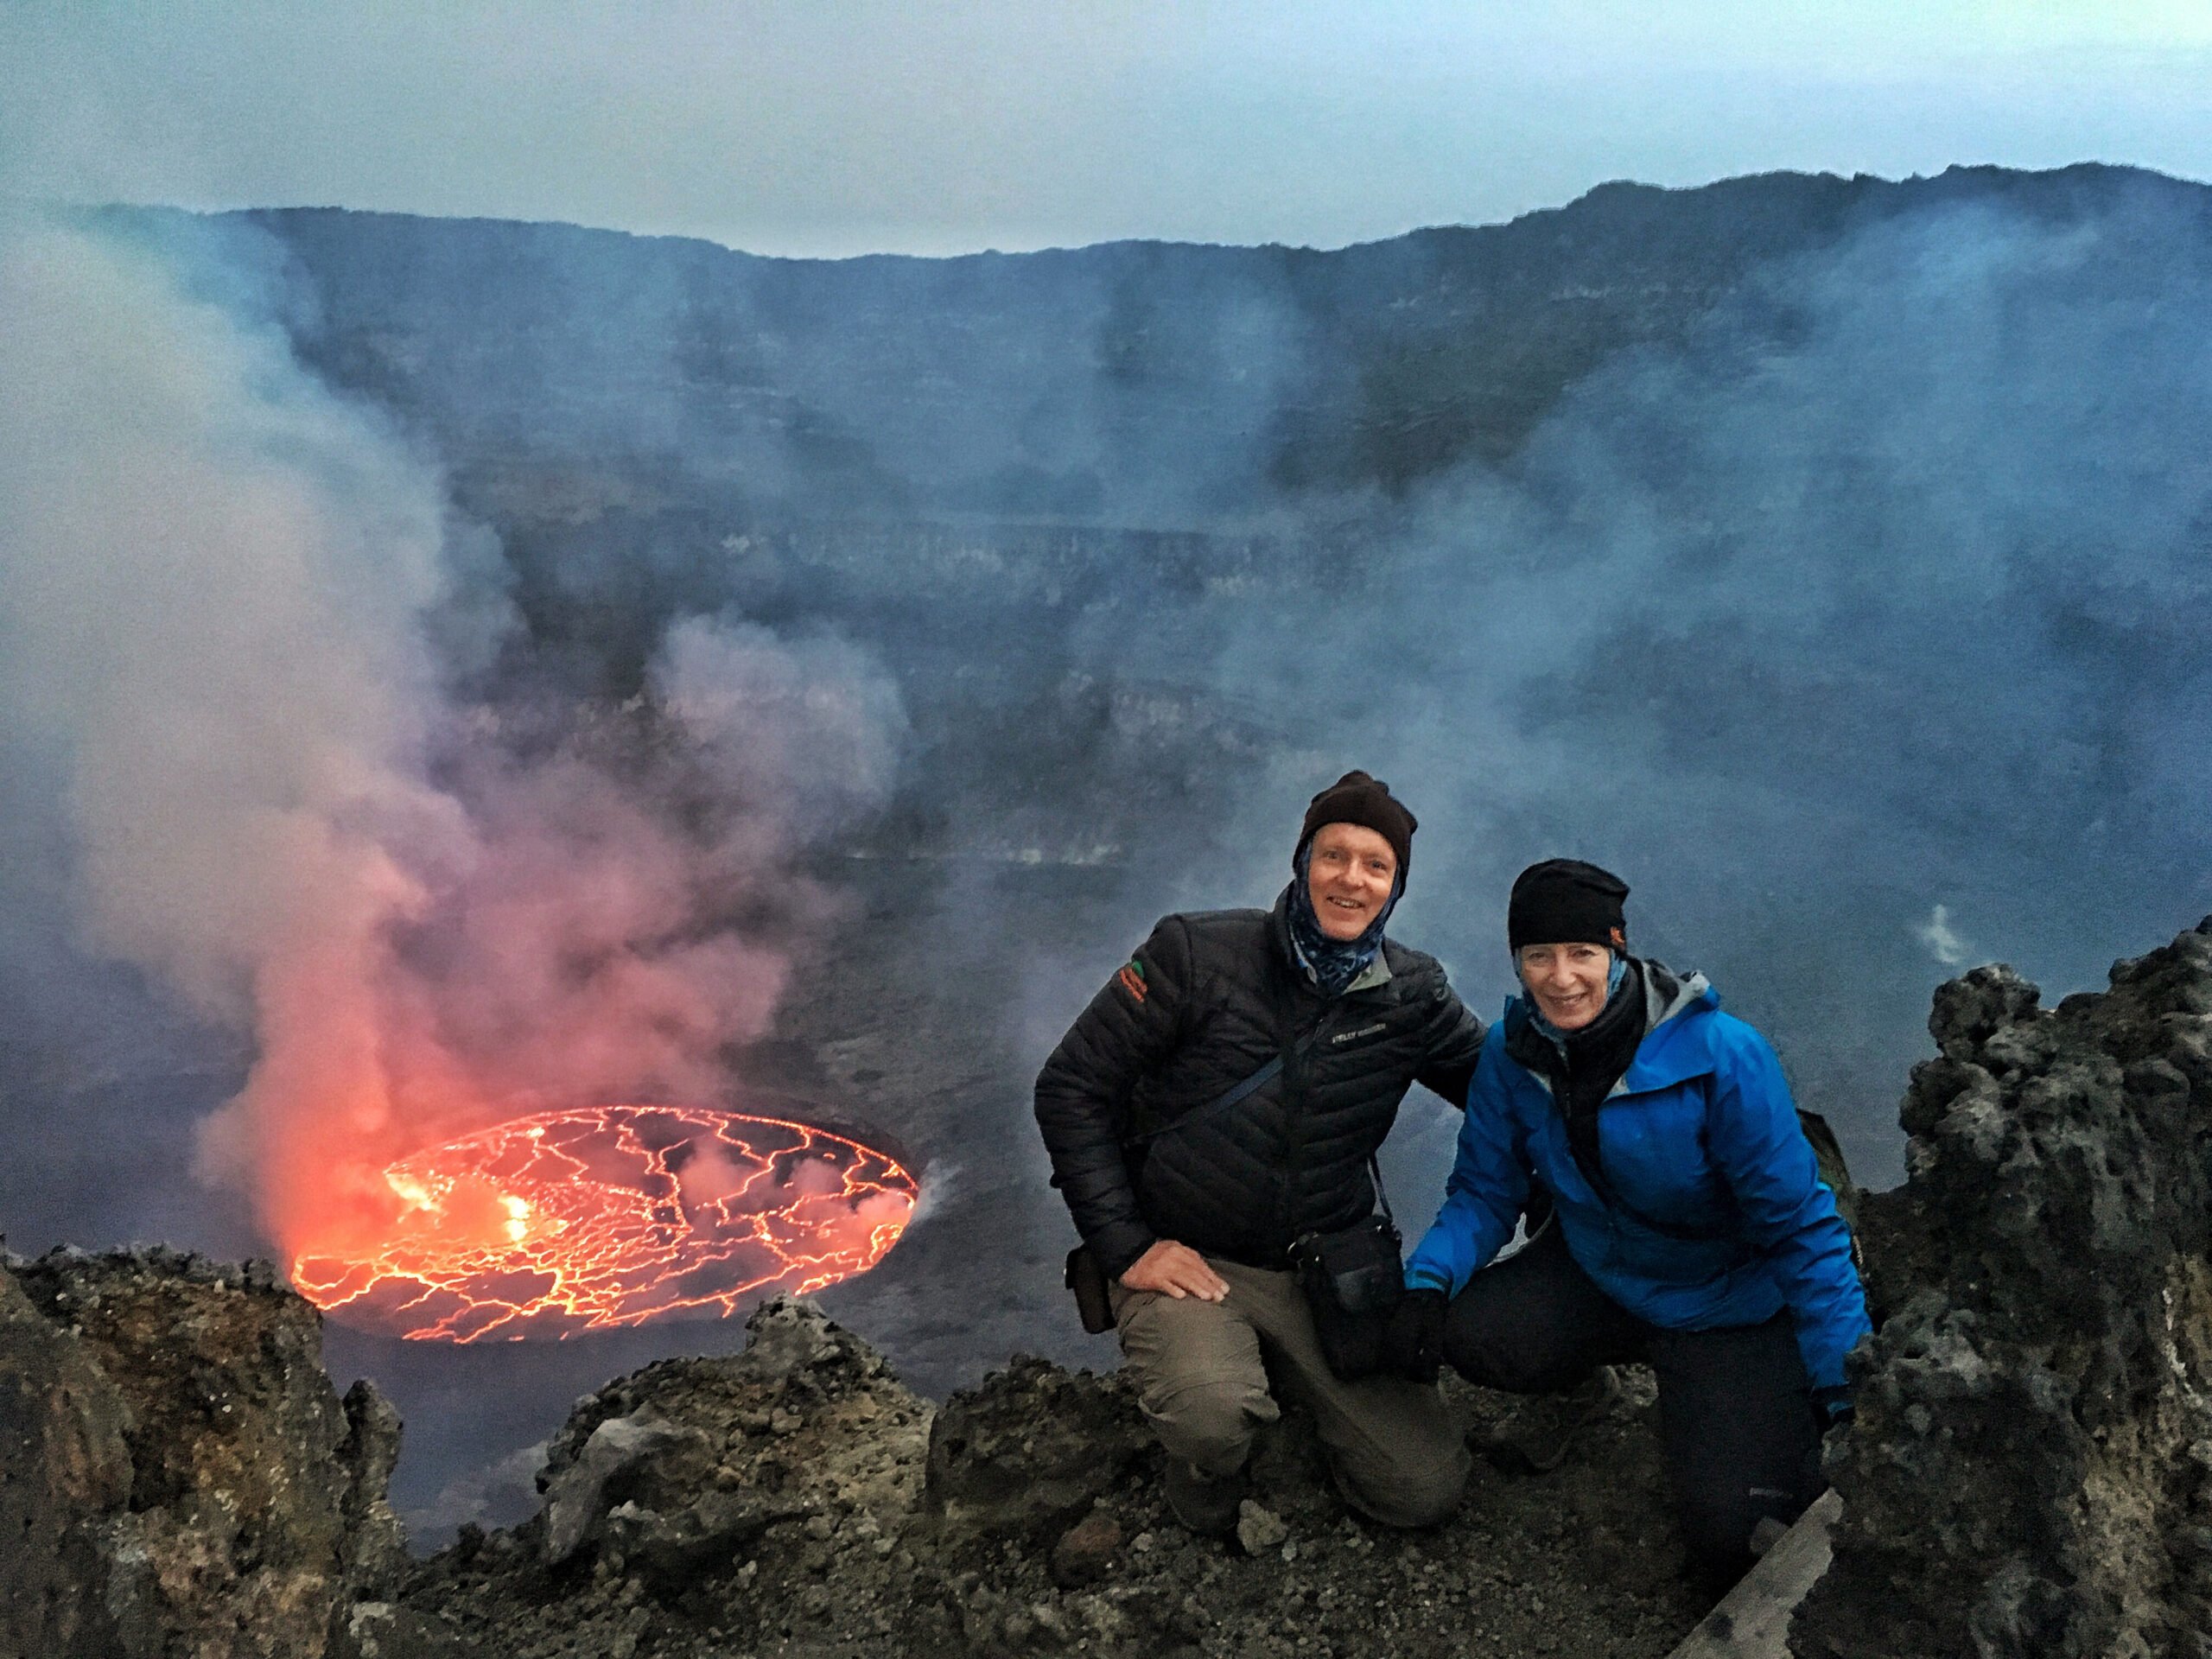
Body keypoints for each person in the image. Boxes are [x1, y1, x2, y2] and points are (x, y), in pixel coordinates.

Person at [1388, 858, 1870, 1592]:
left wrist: (1846, 1388)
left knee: (1735, 1537)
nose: (1561, 978)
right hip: (1606, 1275)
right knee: (1469, 1330)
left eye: (1581, 953)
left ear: (1617, 952)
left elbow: (1803, 1232)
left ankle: (1766, 1403)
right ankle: (1589, 1389)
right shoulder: (1512, 1056)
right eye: (1538, 956)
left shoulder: (1722, 1056)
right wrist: (1427, 1281)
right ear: (1517, 961)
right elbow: (1485, 1190)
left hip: (1728, 1307)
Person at [1034, 771, 1485, 1534]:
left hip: (1323, 1266)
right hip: (1189, 1255)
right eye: (1333, 856)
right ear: (1303, 863)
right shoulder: (1195, 955)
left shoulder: (1412, 994)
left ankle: (1286, 1377)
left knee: (1422, 1487)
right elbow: (1070, 1085)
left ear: (1396, 887)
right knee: (1211, 1417)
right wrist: (1128, 1247)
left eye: (1376, 865)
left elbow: (1501, 1092)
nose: (1352, 879)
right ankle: (1205, 1463)